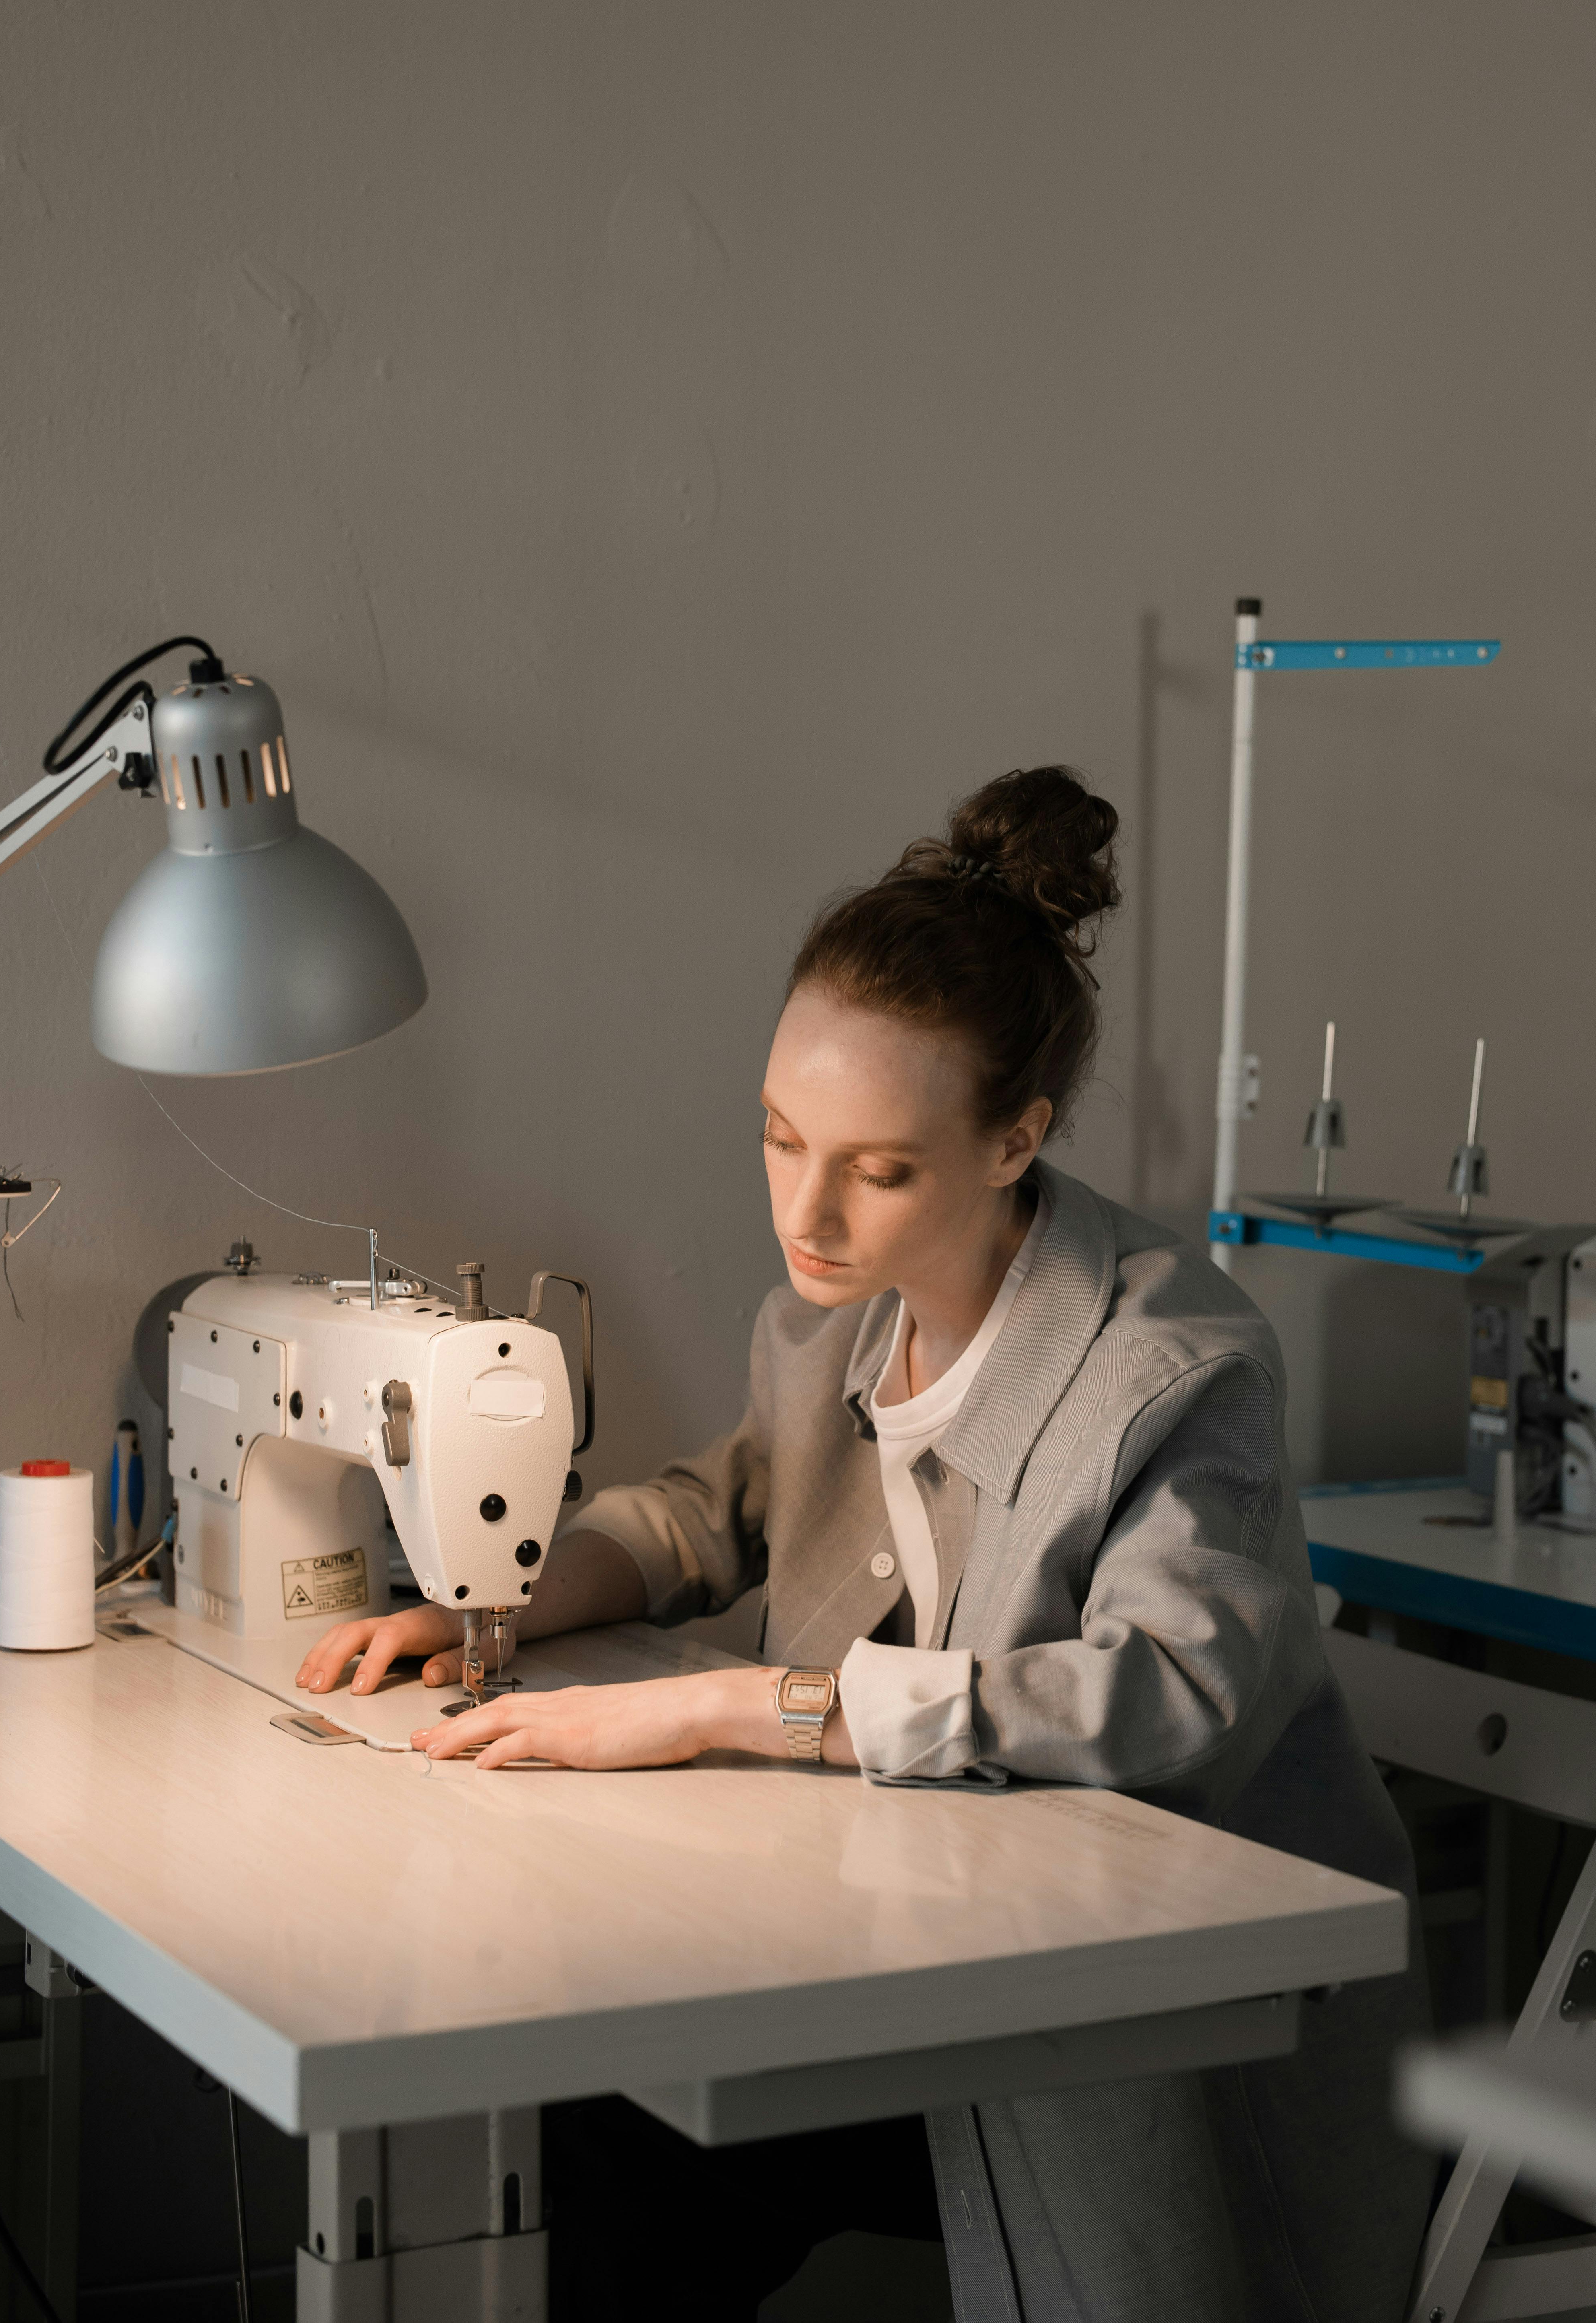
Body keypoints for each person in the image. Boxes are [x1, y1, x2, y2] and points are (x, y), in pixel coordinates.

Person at [296, 765, 1433, 2323]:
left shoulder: (1178, 1364)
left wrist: (726, 1705)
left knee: (625, 2145)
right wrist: (501, 1602)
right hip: (938, 1957)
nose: (806, 1209)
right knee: (581, 2099)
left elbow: (1166, 1695)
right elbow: (719, 1505)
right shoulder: (836, 1329)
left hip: (1162, 2038)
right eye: (779, 1137)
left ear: (1016, 1136)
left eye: (877, 1169)